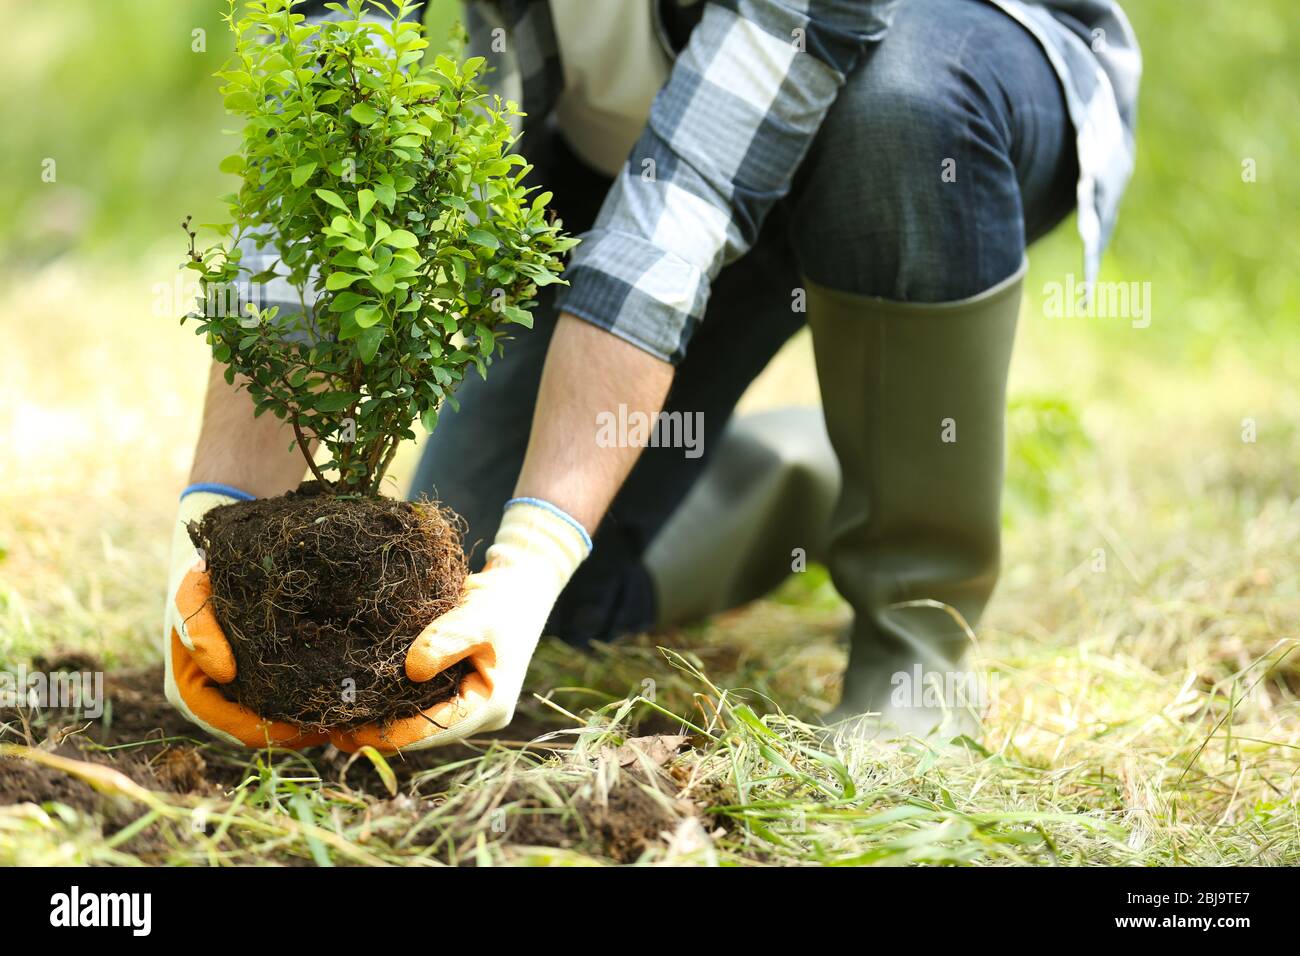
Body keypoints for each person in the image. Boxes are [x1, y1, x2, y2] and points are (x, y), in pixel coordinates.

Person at [163, 0, 1140, 750]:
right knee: (499, 608)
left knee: (896, 114)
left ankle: (914, 633)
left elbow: (687, 198)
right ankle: (817, 470)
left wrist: (540, 544)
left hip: (928, 85)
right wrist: (214, 520)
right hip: (625, 145)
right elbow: (332, 116)